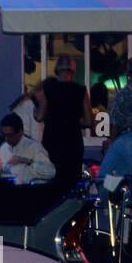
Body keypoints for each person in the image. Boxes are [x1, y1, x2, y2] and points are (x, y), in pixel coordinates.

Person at [34, 56, 91, 184]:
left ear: (57, 70)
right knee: (71, 181)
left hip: (53, 139)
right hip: (73, 141)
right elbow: (88, 122)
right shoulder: (81, 91)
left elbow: (39, 116)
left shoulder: (48, 88)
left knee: (52, 179)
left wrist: (36, 109)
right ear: (73, 71)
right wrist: (74, 120)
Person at [0, 112, 56, 185]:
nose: (6, 138)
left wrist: (27, 161)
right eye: (4, 135)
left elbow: (51, 172)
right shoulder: (3, 148)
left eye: (10, 135)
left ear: (20, 132)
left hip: (31, 192)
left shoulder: (34, 147)